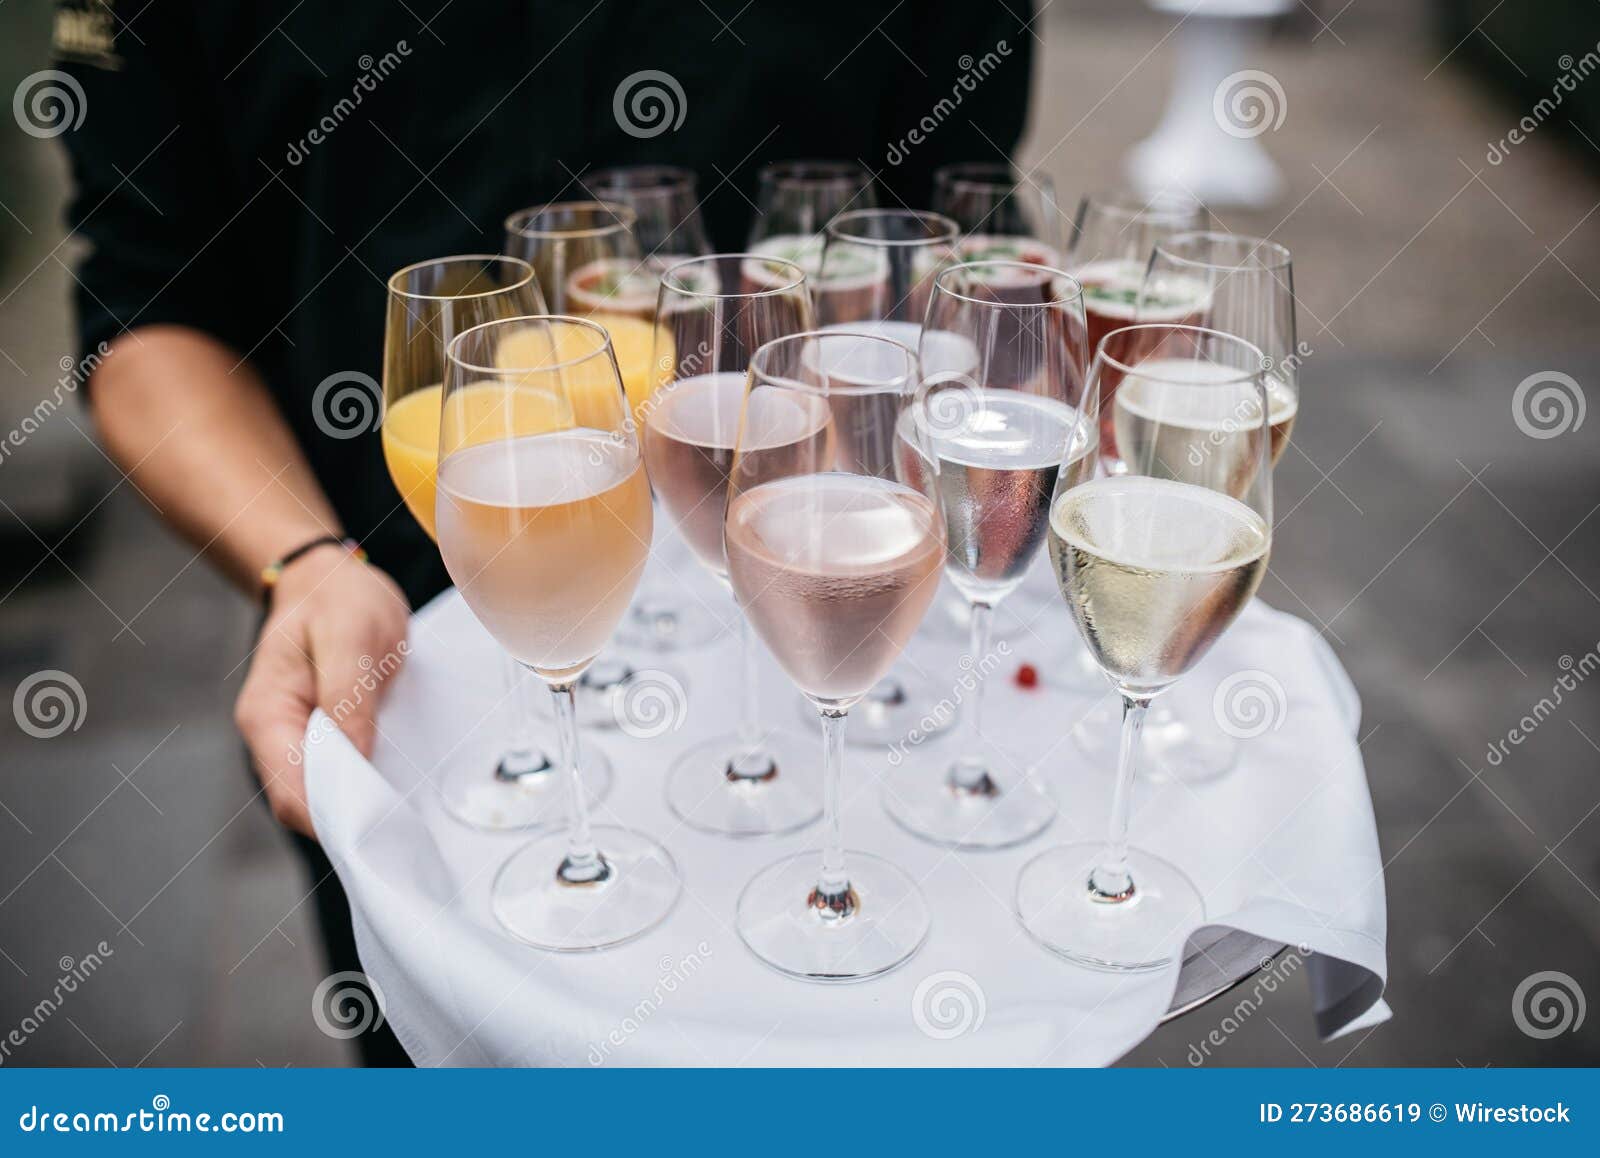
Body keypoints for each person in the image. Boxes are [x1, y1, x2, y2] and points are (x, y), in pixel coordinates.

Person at [53, 0, 1034, 1063]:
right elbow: (146, 296)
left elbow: (957, 211)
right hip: (394, 649)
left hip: (817, 605)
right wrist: (302, 563)